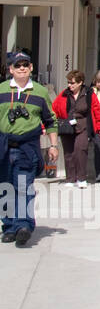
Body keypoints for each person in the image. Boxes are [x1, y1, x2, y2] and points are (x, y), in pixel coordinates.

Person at [0, 51, 58, 246]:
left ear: (31, 68)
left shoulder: (40, 92)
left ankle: (23, 225)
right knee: (4, 188)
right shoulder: (1, 90)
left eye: (25, 64)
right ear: (11, 69)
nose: (22, 68)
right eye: (17, 65)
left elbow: (50, 121)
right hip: (4, 146)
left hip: (27, 147)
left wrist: (53, 145)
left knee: (24, 187)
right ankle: (8, 226)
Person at [54, 70, 100, 190]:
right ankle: (70, 178)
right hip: (67, 126)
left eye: (72, 83)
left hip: (83, 125)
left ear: (80, 83)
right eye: (68, 82)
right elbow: (54, 109)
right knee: (68, 153)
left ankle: (81, 178)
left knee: (80, 150)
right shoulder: (64, 94)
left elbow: (97, 110)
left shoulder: (88, 94)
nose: (69, 85)